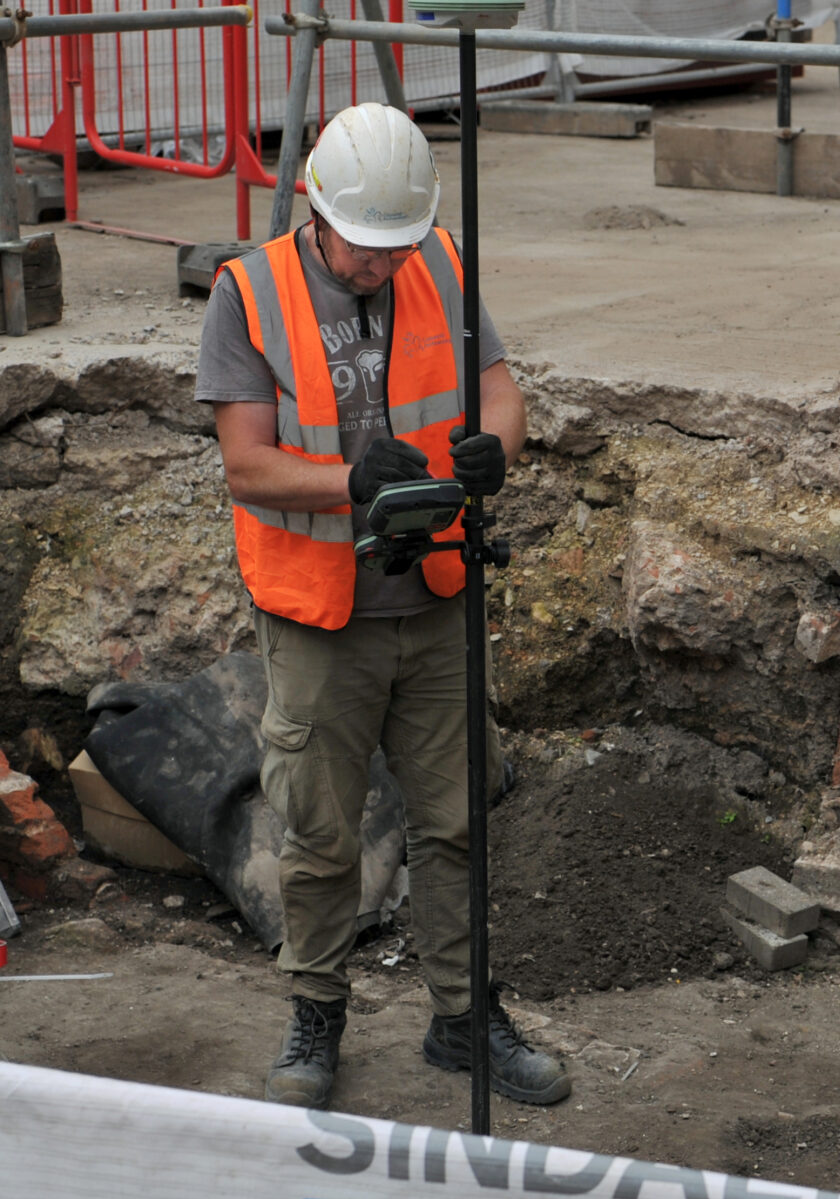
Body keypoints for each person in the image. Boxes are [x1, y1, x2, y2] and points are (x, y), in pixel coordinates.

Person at [195, 102, 569, 1109]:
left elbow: (499, 395)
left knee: (455, 825)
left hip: (435, 592)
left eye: (392, 248)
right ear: (318, 211)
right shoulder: (251, 293)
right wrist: (348, 481)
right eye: (364, 249)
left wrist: (498, 450)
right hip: (321, 613)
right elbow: (245, 463)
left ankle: (462, 1016)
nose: (378, 267)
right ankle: (315, 1016)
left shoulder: (437, 260)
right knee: (318, 834)